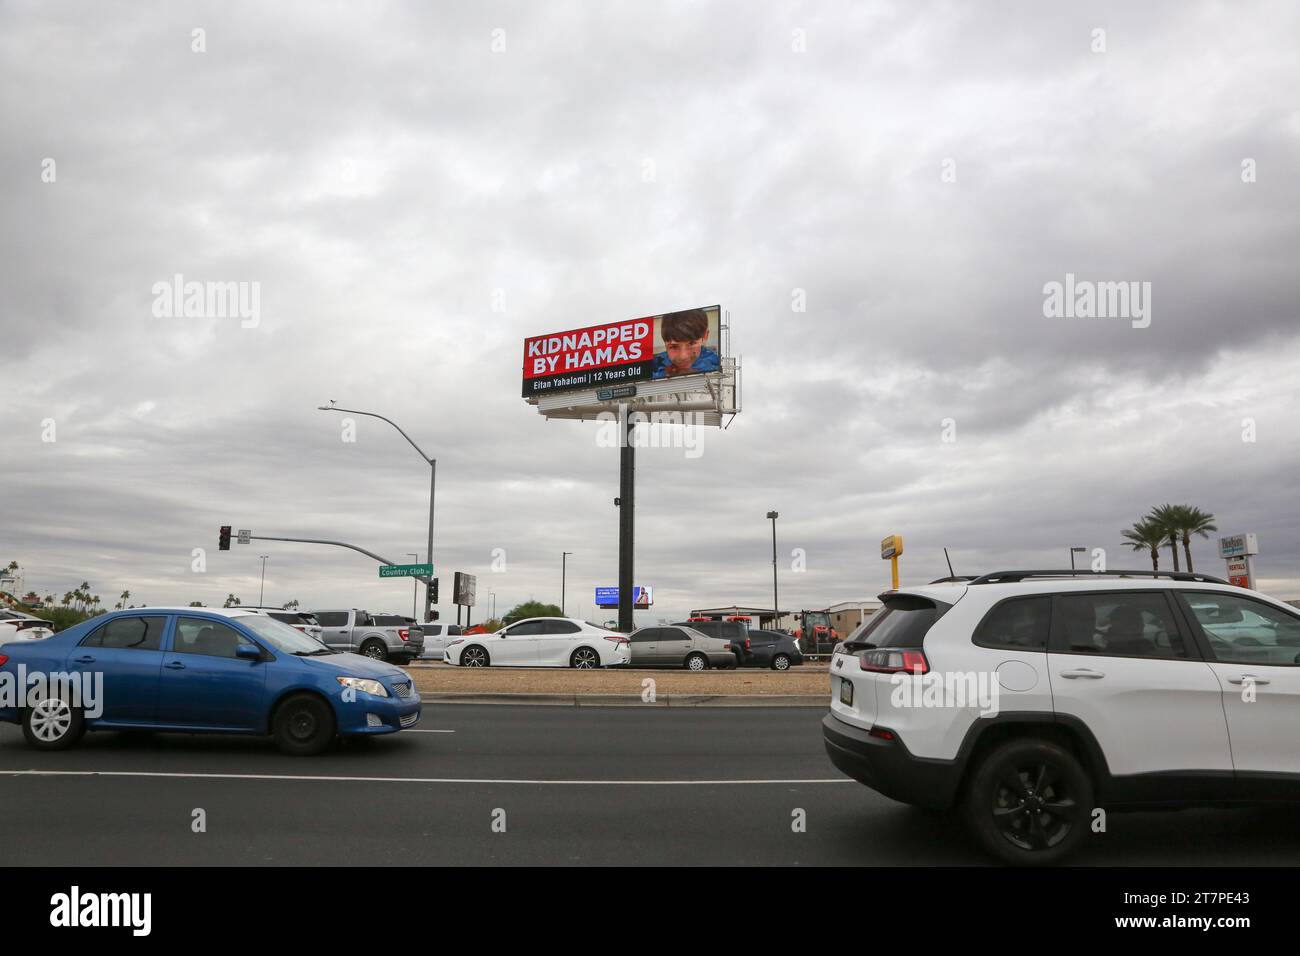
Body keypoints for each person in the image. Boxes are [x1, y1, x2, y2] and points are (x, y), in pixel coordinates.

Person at [651, 309, 721, 379]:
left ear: (705, 336)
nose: (683, 356)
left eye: (692, 343)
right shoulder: (653, 366)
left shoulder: (715, 366)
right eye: (674, 347)